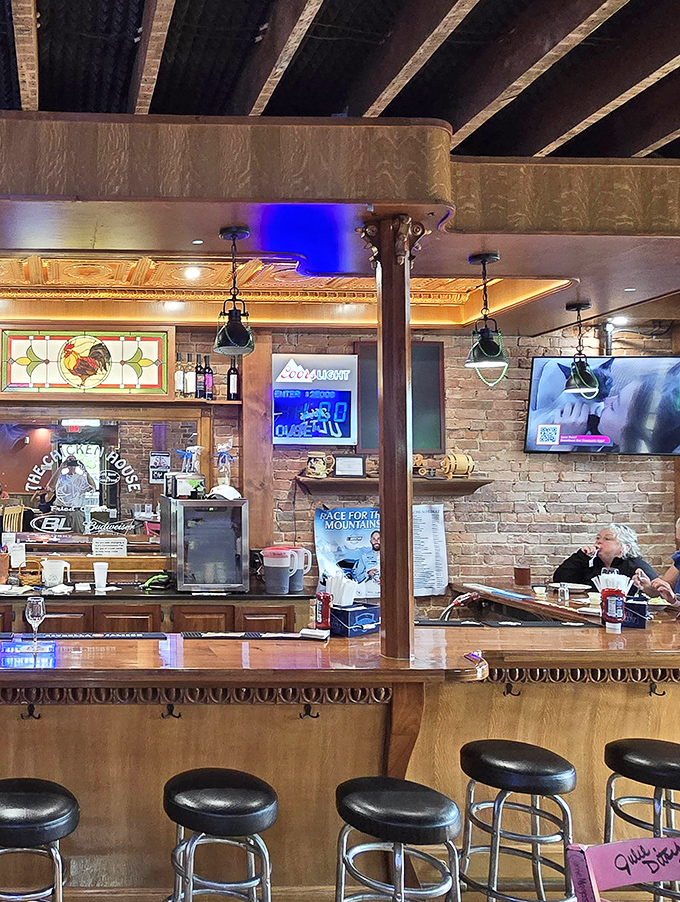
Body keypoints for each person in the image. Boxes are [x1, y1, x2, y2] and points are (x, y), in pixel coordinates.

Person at [553, 523, 657, 589]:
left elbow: (654, 592)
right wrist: (580, 556)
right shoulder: (591, 562)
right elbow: (560, 580)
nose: (599, 542)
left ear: (626, 547)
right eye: (598, 538)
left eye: (607, 539)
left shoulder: (636, 566)